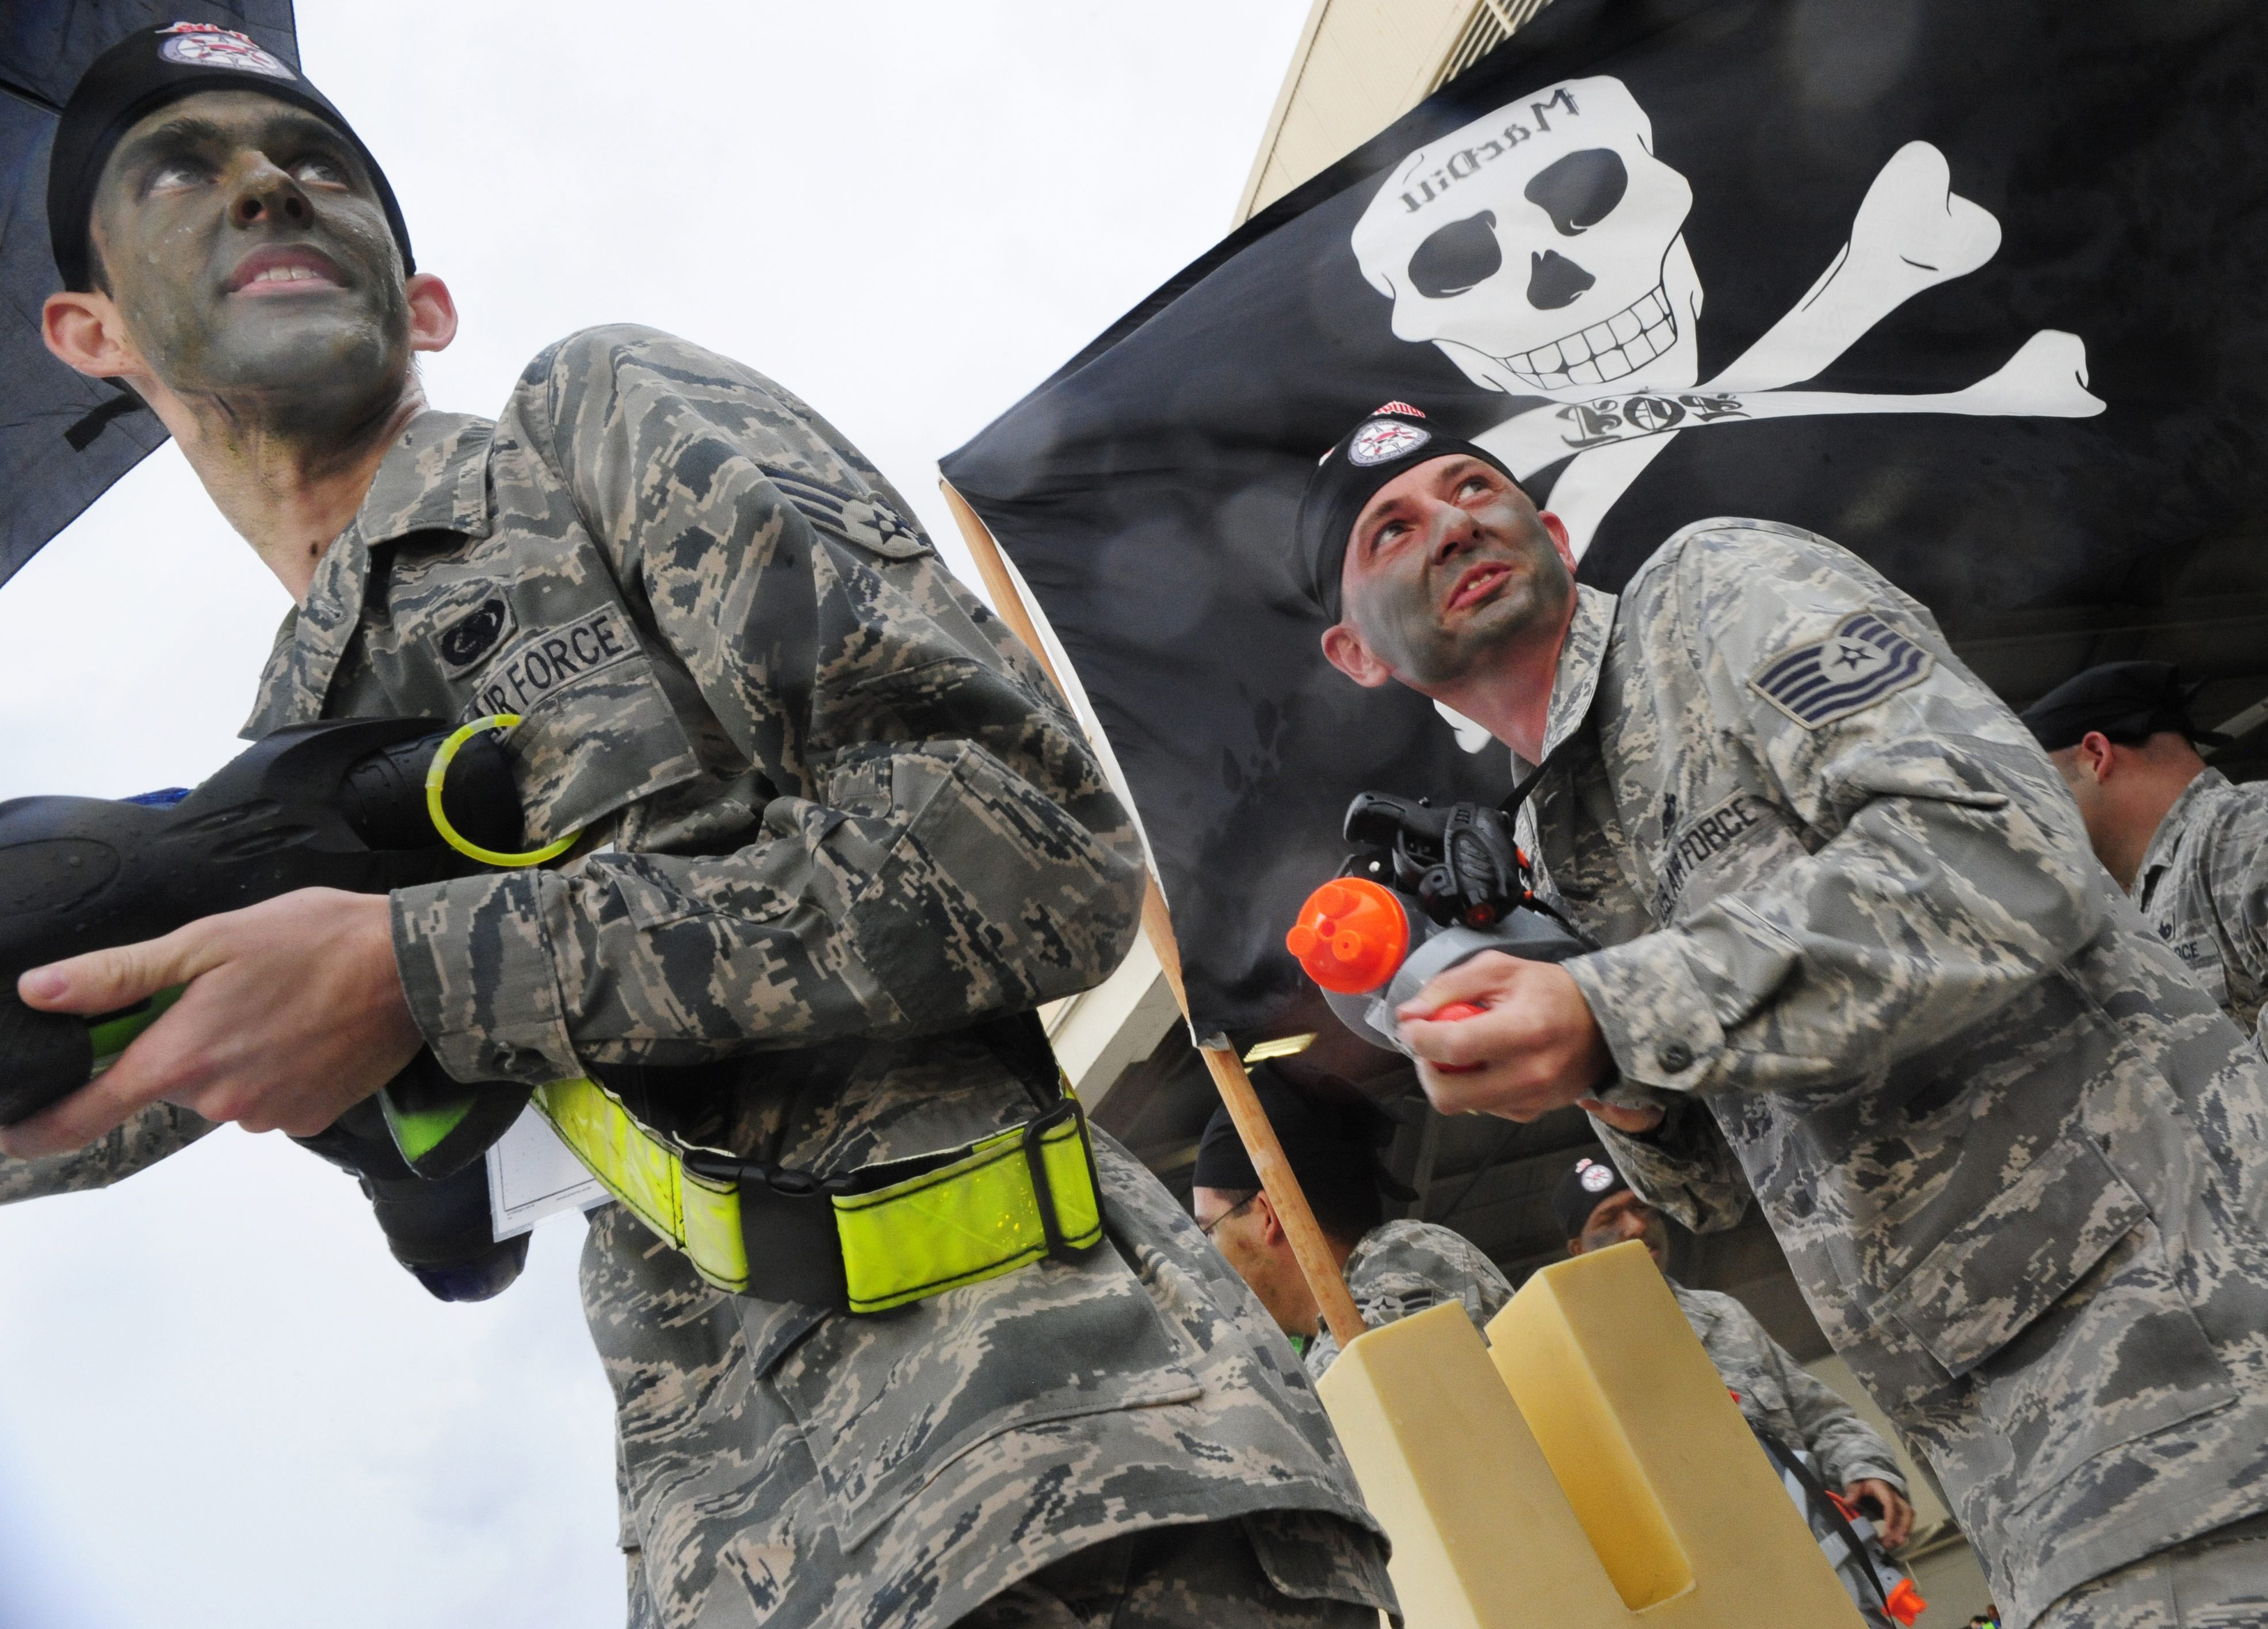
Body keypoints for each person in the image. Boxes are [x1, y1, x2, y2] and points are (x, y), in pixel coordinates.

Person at [10, 24, 1395, 1629]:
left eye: (318, 166)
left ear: (426, 301)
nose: (265, 187)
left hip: (1068, 1474)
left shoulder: (592, 424)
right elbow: (88, 1081)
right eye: (182, 170)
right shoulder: (259, 816)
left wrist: (423, 967)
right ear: (85, 328)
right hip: (751, 1569)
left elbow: (1027, 846)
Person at [1299, 400, 2268, 1629]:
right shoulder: (1555, 835)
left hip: (2203, 1337)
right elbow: (1716, 1190)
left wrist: (1606, 1001)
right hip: (2031, 1456)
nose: (1450, 522)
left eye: (1472, 489)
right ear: (1358, 657)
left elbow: (2003, 853)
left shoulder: (1717, 591)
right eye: (1392, 529)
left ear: (1548, 528)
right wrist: (1587, 1068)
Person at [1556, 1156, 1914, 1548]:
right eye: (1609, 1220)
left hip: (1820, 1556)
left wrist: (1865, 1468)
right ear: (1578, 1250)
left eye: (1642, 1207)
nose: (1637, 1226)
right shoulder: (1570, 1361)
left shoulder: (1724, 1317)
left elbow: (1823, 1422)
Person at [1186, 1063, 1509, 1378]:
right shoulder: (1321, 1342)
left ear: (1268, 1216)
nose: (1205, 1262)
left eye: (1209, 1232)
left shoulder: (1405, 1259)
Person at [2019, 661, 2266, 1057]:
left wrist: (2236, 1105)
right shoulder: (2144, 900)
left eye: (2037, 788)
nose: (2030, 816)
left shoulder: (2241, 825)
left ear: (2097, 755)